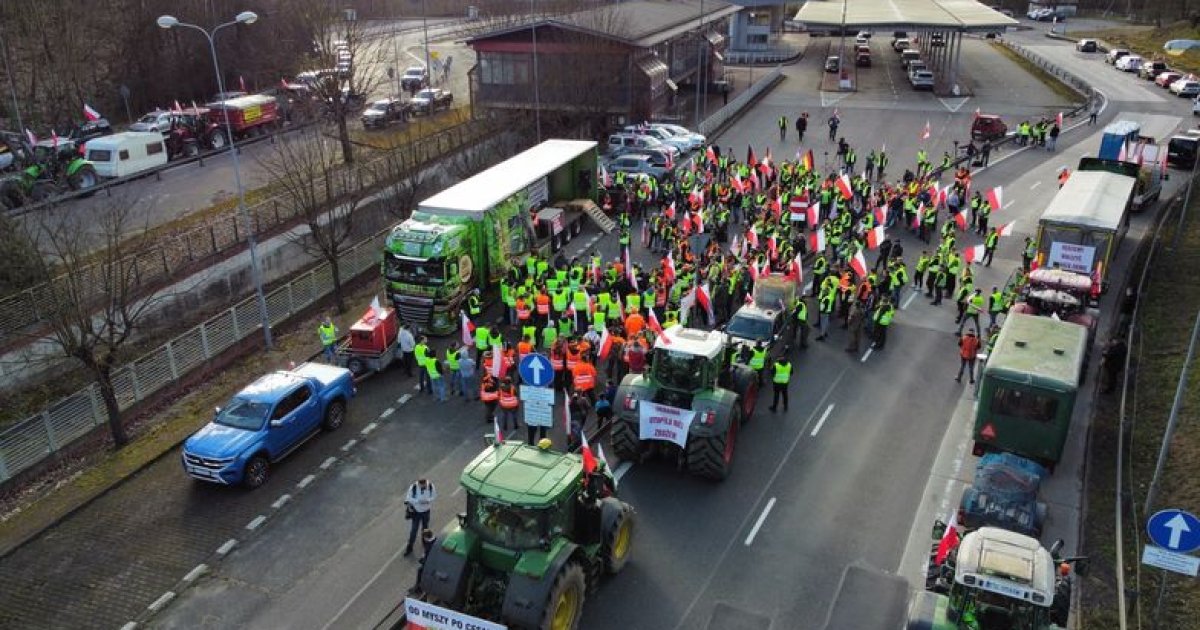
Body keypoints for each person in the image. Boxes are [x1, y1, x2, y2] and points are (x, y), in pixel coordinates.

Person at [403, 478, 437, 556]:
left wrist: (428, 500)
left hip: (426, 511)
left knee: (425, 528)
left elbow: (434, 496)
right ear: (418, 484)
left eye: (424, 486)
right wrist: (418, 501)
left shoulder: (431, 486)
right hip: (416, 512)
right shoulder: (413, 487)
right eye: (421, 486)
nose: (423, 487)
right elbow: (408, 498)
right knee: (413, 530)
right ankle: (410, 547)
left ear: (426, 483)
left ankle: (425, 542)